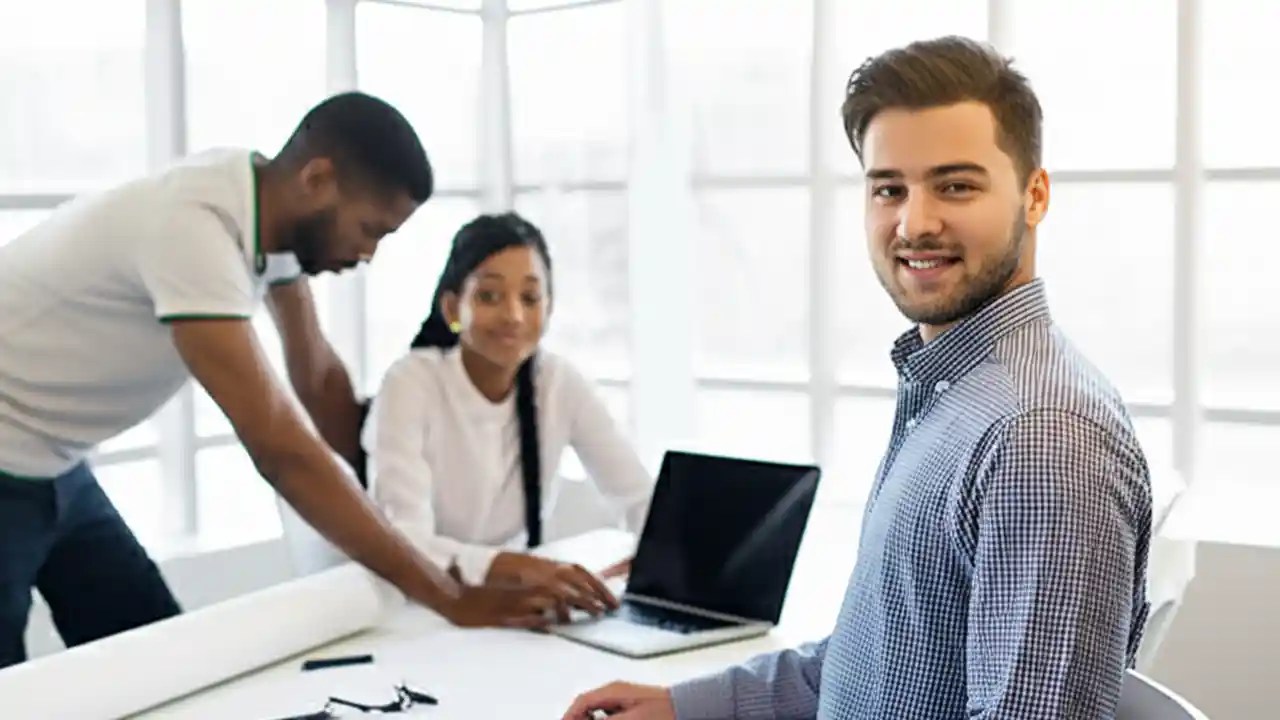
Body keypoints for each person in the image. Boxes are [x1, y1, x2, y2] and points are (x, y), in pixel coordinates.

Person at [563, 36, 1153, 719]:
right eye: (889, 189)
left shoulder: (1040, 434)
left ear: (1035, 195)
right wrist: (682, 706)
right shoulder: (955, 393)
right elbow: (869, 667)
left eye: (955, 185)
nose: (914, 222)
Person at [0, 91, 556, 669]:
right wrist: (449, 595)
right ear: (317, 179)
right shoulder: (193, 227)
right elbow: (280, 446)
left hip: (57, 462)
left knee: (160, 666)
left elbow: (316, 380)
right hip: (8, 455)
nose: (368, 254)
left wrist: (399, 449)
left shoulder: (269, 212)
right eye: (369, 229)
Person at [364, 212, 654, 621]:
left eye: (530, 298)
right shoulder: (411, 383)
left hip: (518, 613)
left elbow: (638, 496)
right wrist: (519, 567)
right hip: (422, 610)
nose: (513, 316)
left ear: (549, 309)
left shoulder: (558, 382)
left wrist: (658, 559)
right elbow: (404, 541)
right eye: (489, 296)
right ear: (452, 307)